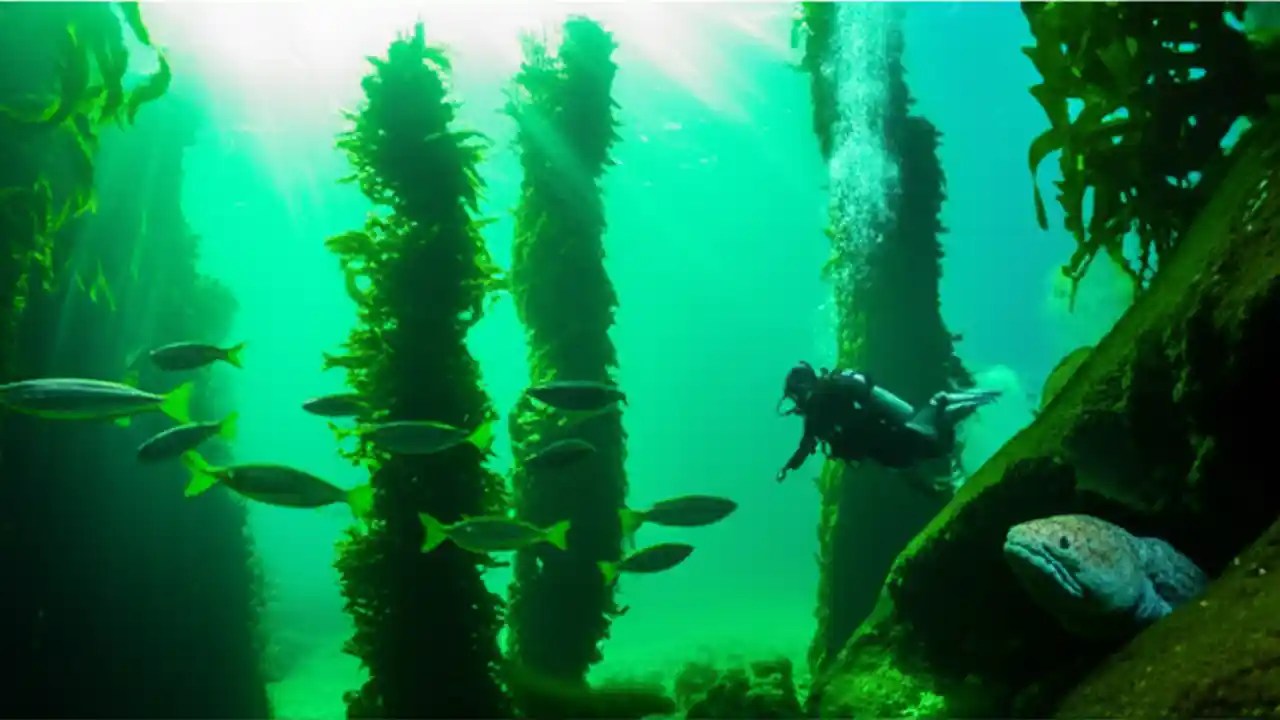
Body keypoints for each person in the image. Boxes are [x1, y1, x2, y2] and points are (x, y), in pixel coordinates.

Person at [774, 361, 1000, 485]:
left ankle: (971, 397)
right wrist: (789, 466)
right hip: (889, 451)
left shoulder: (834, 388)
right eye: (796, 394)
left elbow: (868, 394)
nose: (800, 400)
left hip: (896, 430)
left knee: (930, 432)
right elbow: (806, 445)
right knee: (933, 448)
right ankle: (979, 399)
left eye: (798, 392)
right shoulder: (814, 419)